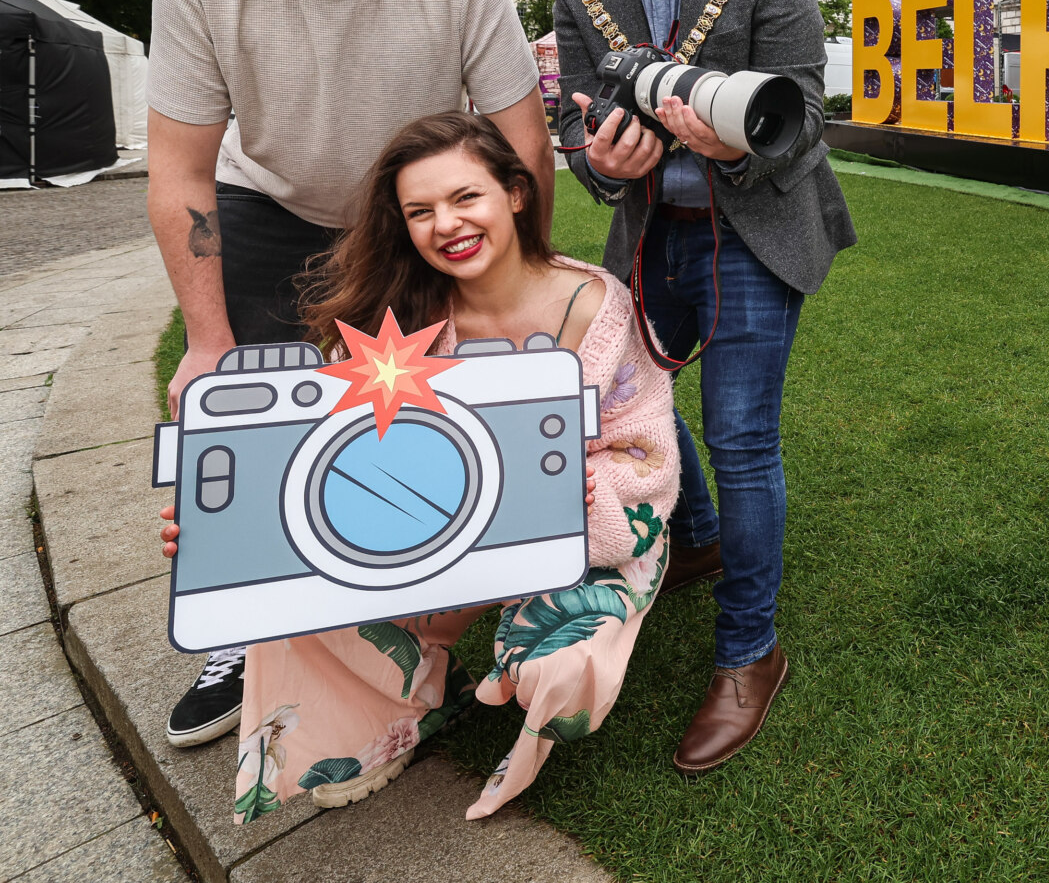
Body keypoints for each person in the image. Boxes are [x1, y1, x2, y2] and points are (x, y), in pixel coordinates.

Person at [147, 0, 553, 750]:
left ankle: (416, 619)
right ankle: (242, 632)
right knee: (251, 414)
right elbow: (180, 171)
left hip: (406, 217)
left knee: (408, 419)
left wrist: (516, 291)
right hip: (265, 198)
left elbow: (524, 145)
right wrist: (205, 340)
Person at [160, 113, 678, 820]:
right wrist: (231, 532)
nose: (447, 223)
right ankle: (419, 696)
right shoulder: (398, 319)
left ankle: (506, 650)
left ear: (516, 193)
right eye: (421, 211)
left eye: (467, 196)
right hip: (445, 533)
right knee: (291, 604)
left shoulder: (599, 307)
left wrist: (581, 497)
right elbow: (332, 460)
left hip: (582, 527)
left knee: (559, 665)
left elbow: (646, 454)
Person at [553, 0, 854, 774]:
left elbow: (807, 116)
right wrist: (596, 159)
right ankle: (704, 535)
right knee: (626, 401)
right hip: (651, 234)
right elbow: (577, 115)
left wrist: (732, 144)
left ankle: (746, 653)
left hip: (754, 231)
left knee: (741, 433)